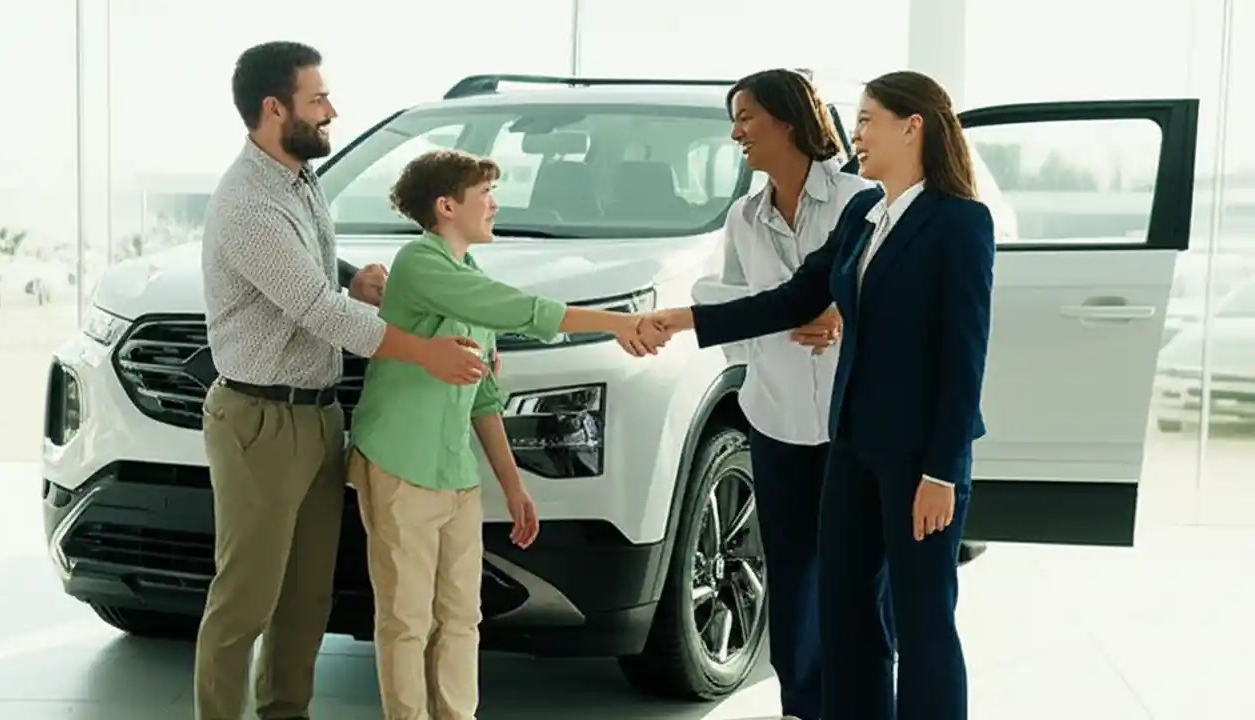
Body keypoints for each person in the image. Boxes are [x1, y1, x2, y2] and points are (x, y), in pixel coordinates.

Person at [646, 70, 994, 720]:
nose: (854, 133)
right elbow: (795, 297)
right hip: (852, 447)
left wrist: (942, 471)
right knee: (846, 614)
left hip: (919, 458)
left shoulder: (960, 223)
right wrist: (686, 320)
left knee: (922, 623)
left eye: (867, 120)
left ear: (912, 127)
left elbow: (964, 358)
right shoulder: (864, 215)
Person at [194, 41, 488, 720]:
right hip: (261, 423)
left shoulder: (299, 180)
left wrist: (350, 280)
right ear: (275, 108)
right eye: (318, 99)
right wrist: (424, 352)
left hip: (318, 414)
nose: (332, 111)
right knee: (245, 602)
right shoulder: (248, 204)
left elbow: (310, 280)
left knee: (306, 599)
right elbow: (318, 311)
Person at [347, 148, 658, 720]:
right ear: (447, 206)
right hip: (398, 465)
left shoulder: (467, 273)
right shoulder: (419, 264)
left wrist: (515, 489)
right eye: (485, 193)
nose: (495, 204)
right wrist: (621, 323)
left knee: (462, 616)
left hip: (454, 474)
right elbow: (518, 310)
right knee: (406, 619)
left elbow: (484, 397)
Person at [689, 68, 877, 720]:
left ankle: (859, 703)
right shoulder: (744, 217)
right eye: (734, 120)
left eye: (746, 117)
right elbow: (723, 299)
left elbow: (893, 294)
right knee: (792, 574)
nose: (736, 133)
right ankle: (801, 704)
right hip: (775, 420)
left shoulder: (861, 200)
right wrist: (771, 345)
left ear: (788, 120)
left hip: (851, 425)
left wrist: (841, 313)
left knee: (855, 575)